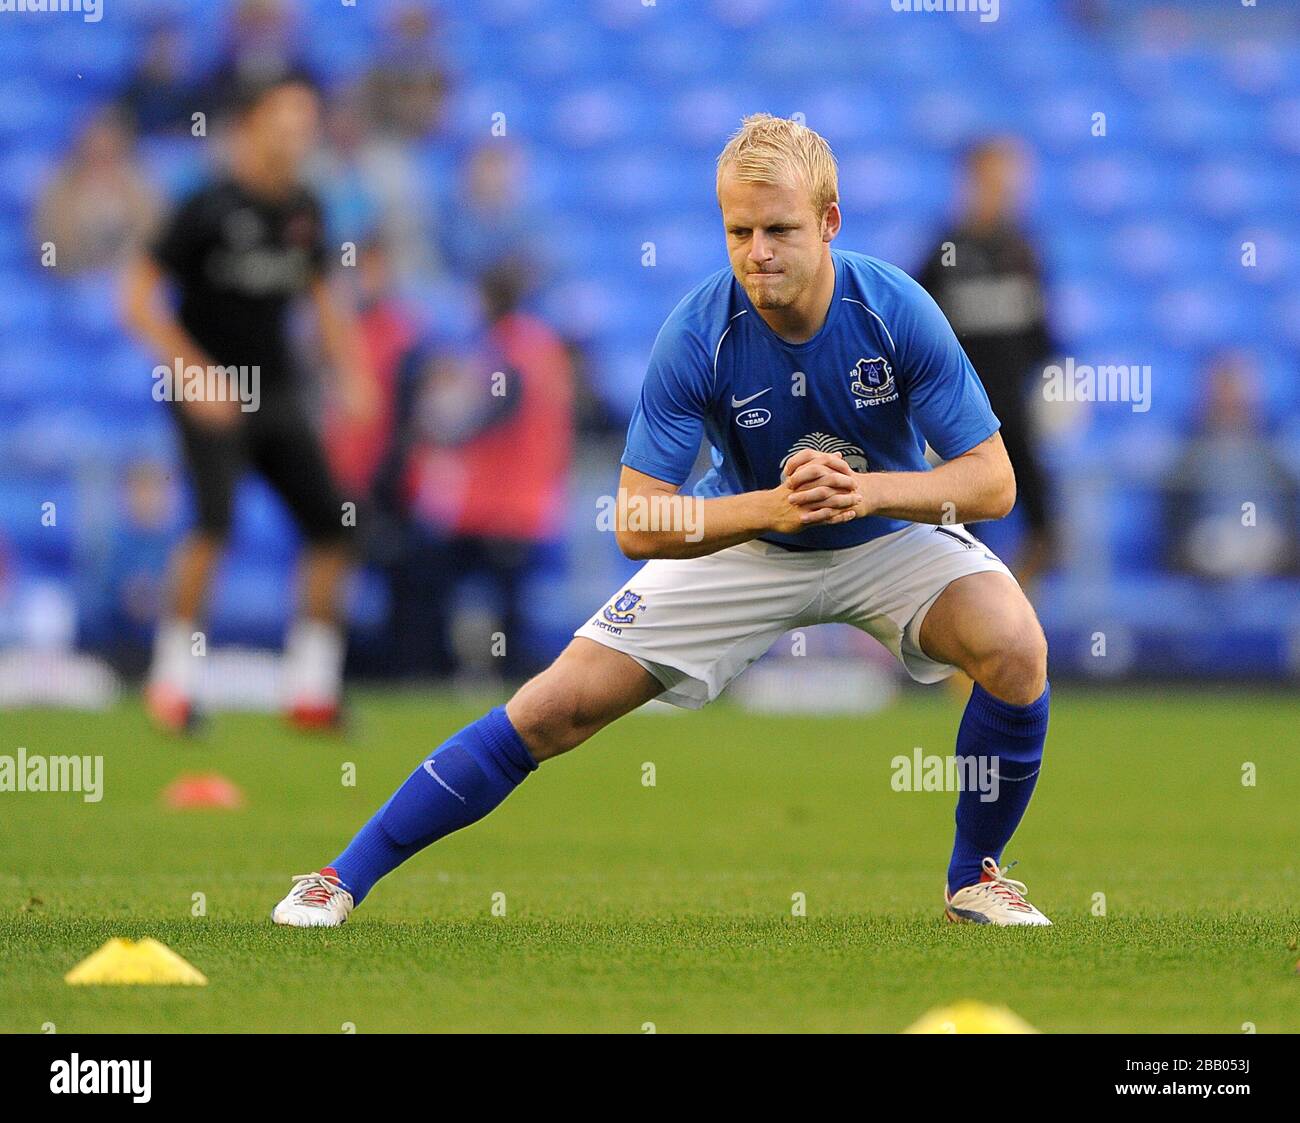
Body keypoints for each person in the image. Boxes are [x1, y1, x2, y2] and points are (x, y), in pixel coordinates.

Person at [271, 114, 1051, 928]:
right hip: (749, 538)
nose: (757, 252)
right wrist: (776, 507)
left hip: (884, 534)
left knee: (1015, 646)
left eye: (780, 229)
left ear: (829, 222)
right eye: (738, 230)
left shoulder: (896, 309)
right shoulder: (698, 332)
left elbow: (993, 482)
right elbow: (638, 520)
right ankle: (339, 876)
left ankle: (976, 878)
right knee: (549, 711)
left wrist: (869, 493)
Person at [121, 74, 372, 734]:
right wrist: (194, 373)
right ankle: (172, 684)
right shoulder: (204, 207)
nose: (298, 133)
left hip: (279, 389)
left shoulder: (305, 210)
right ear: (252, 124)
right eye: (285, 118)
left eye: (306, 120)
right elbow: (136, 300)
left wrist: (352, 373)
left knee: (332, 529)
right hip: (212, 391)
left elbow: (324, 301)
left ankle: (312, 688)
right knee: (212, 527)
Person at [916, 137, 1056, 586]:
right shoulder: (944, 253)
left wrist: (1058, 380)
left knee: (1045, 527)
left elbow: (1040, 332)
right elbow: (916, 330)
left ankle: (1015, 604)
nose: (1008, 187)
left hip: (1017, 415)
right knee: (960, 536)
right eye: (996, 176)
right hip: (963, 421)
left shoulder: (1024, 251)